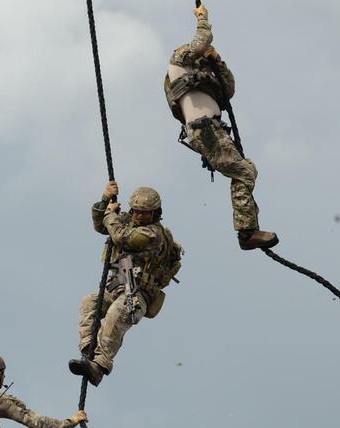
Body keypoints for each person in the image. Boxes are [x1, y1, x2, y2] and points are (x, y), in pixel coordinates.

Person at [164, 4, 278, 250]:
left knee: (245, 171)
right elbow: (201, 42)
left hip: (214, 129)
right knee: (244, 171)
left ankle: (248, 230)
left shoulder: (205, 72)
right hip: (203, 129)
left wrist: (218, 61)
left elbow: (229, 89)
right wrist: (203, 19)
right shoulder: (178, 61)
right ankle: (247, 233)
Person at [69, 182, 183, 385]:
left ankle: (99, 366)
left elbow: (121, 238)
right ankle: (89, 350)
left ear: (154, 213)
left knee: (116, 315)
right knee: (90, 302)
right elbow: (99, 225)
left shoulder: (152, 234)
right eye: (136, 211)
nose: (138, 216)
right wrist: (105, 199)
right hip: (117, 285)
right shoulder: (126, 221)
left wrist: (110, 215)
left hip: (136, 294)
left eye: (144, 213)